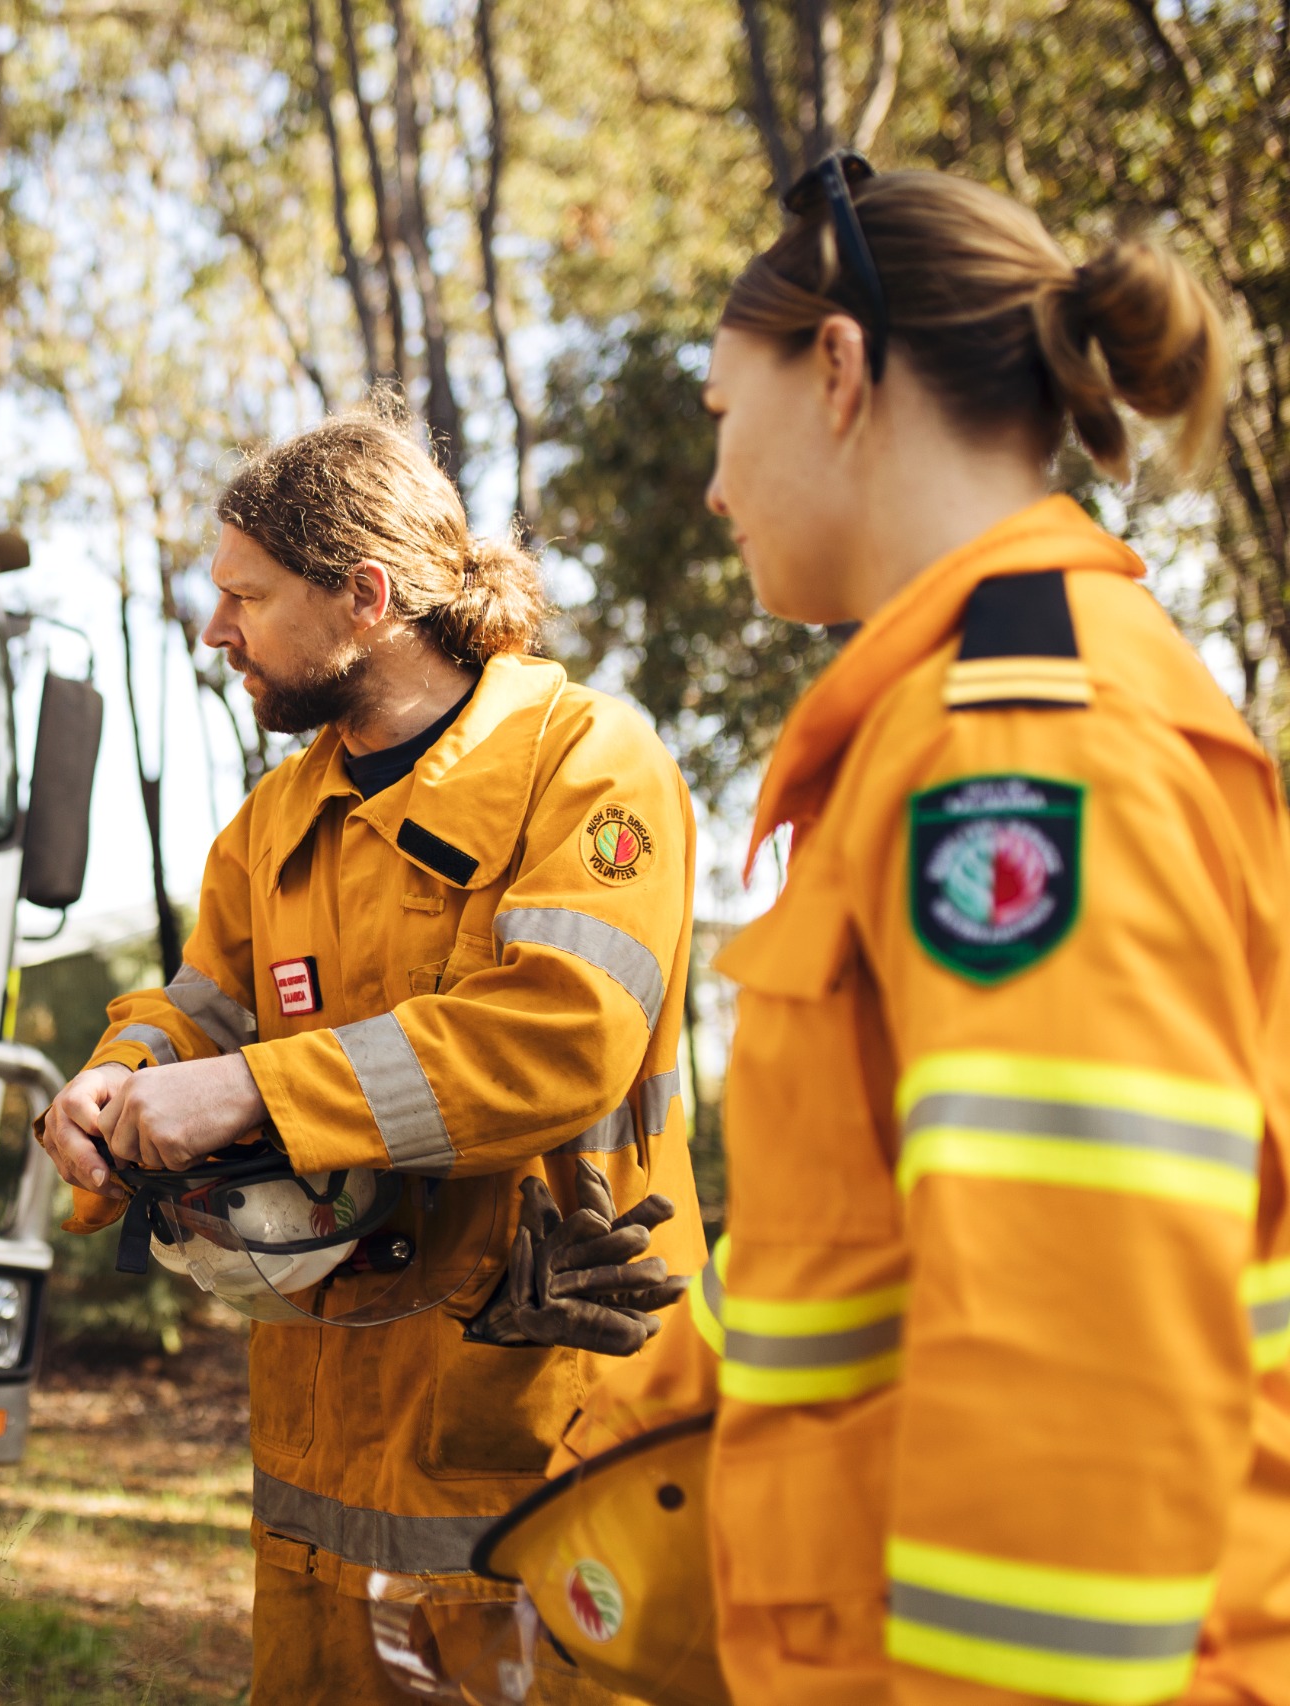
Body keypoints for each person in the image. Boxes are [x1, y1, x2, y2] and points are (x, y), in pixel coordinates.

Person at [539, 157, 1290, 1704]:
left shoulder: (1019, 753)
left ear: (838, 369)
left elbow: (1081, 1346)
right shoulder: (957, 722)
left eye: (722, 415)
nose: (715, 485)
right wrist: (589, 1500)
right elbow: (835, 1266)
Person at [32, 411, 704, 1703]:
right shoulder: (273, 818)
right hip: (319, 1442)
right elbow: (203, 1005)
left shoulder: (583, 762)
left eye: (245, 596)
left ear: (366, 597)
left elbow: (563, 1032)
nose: (215, 629)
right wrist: (123, 1068)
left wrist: (250, 1089)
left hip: (537, 1433)